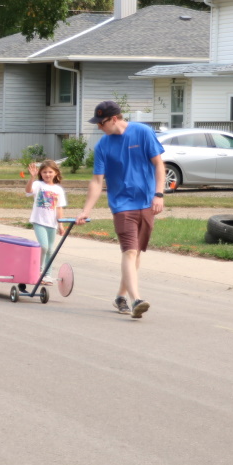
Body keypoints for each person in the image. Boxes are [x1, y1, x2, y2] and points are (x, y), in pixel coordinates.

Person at [76, 100, 165, 318]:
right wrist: (86, 210)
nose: (99, 127)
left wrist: (159, 194)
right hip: (122, 205)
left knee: (136, 255)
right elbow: (97, 181)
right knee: (129, 250)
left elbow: (159, 164)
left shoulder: (142, 132)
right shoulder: (103, 146)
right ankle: (136, 300)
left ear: (114, 119)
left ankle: (120, 296)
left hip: (146, 202)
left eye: (101, 122)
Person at [25, 159, 67, 284]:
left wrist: (61, 224)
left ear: (56, 173)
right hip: (39, 221)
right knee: (43, 246)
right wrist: (32, 178)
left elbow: (59, 208)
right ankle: (38, 271)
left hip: (52, 224)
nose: (47, 175)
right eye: (44, 172)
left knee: (50, 249)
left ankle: (47, 274)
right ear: (40, 174)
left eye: (50, 172)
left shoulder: (58, 190)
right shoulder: (38, 185)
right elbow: (28, 191)